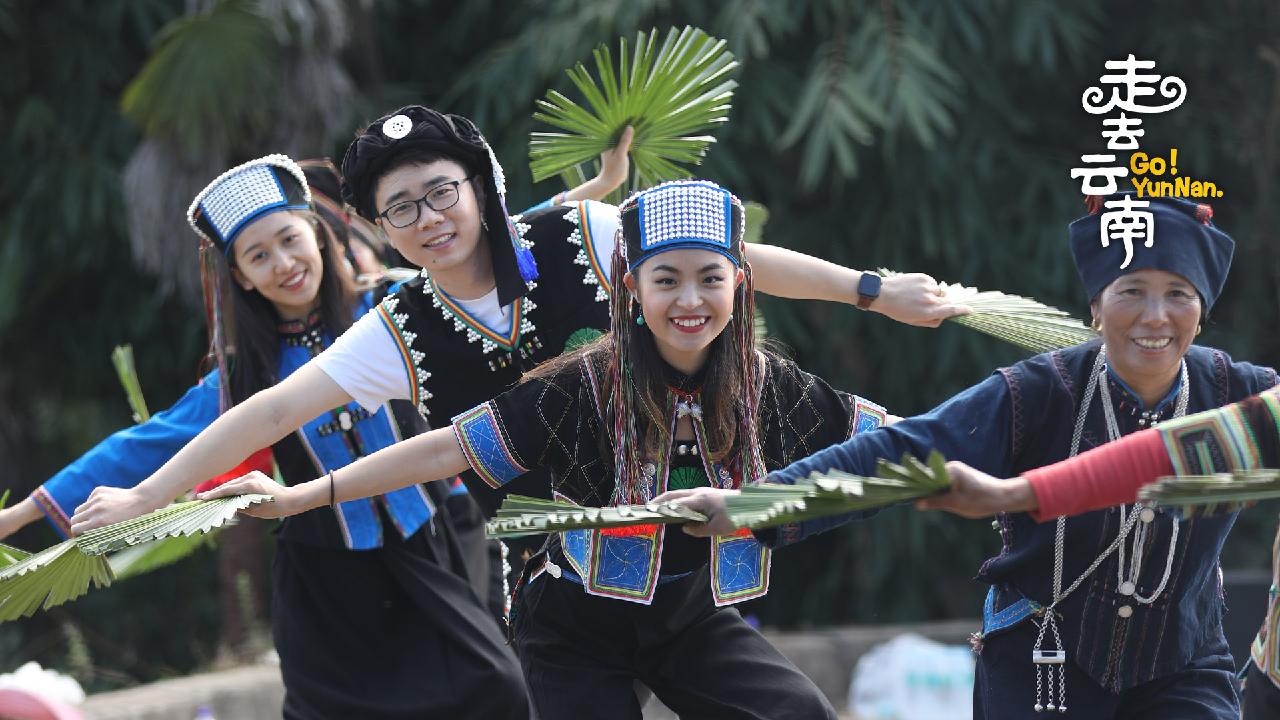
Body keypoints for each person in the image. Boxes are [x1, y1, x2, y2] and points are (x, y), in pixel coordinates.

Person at [66, 103, 968, 616]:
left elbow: (719, 259)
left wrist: (872, 289)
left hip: (696, 529)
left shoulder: (580, 232)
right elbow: (265, 413)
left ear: (481, 187)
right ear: (378, 231)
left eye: (441, 193)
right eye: (402, 210)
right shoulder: (398, 327)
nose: (429, 220)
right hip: (560, 573)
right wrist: (147, 495)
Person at [197, 179, 899, 719]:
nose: (690, 300)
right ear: (628, 288)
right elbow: (447, 450)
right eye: (665, 280)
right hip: (569, 618)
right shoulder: (579, 382)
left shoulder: (763, 381)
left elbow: (894, 446)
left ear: (739, 285)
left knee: (797, 711)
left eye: (710, 279)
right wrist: (301, 495)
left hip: (685, 609)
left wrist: (984, 446)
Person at [0, 151, 653, 719]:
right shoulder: (242, 379)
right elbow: (145, 445)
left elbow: (478, 242)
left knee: (495, 692)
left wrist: (594, 189)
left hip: (427, 545)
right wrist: (25, 515)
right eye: (259, 256)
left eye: (289, 240)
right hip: (325, 576)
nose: (282, 263)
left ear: (317, 235)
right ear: (241, 278)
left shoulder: (394, 311)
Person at [661, 193, 1278, 719]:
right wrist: (751, 503)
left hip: (1184, 665)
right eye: (1132, 291)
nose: (1155, 315)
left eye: (1178, 293)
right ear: (1094, 306)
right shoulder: (1040, 390)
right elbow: (903, 452)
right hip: (1044, 662)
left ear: (1202, 310)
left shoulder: (1243, 395)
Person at [917, 385, 1280, 719]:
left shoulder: (1239, 383)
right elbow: (1158, 458)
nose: (1155, 318)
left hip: (1196, 654)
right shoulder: (1045, 384)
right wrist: (1014, 493)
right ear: (1095, 311)